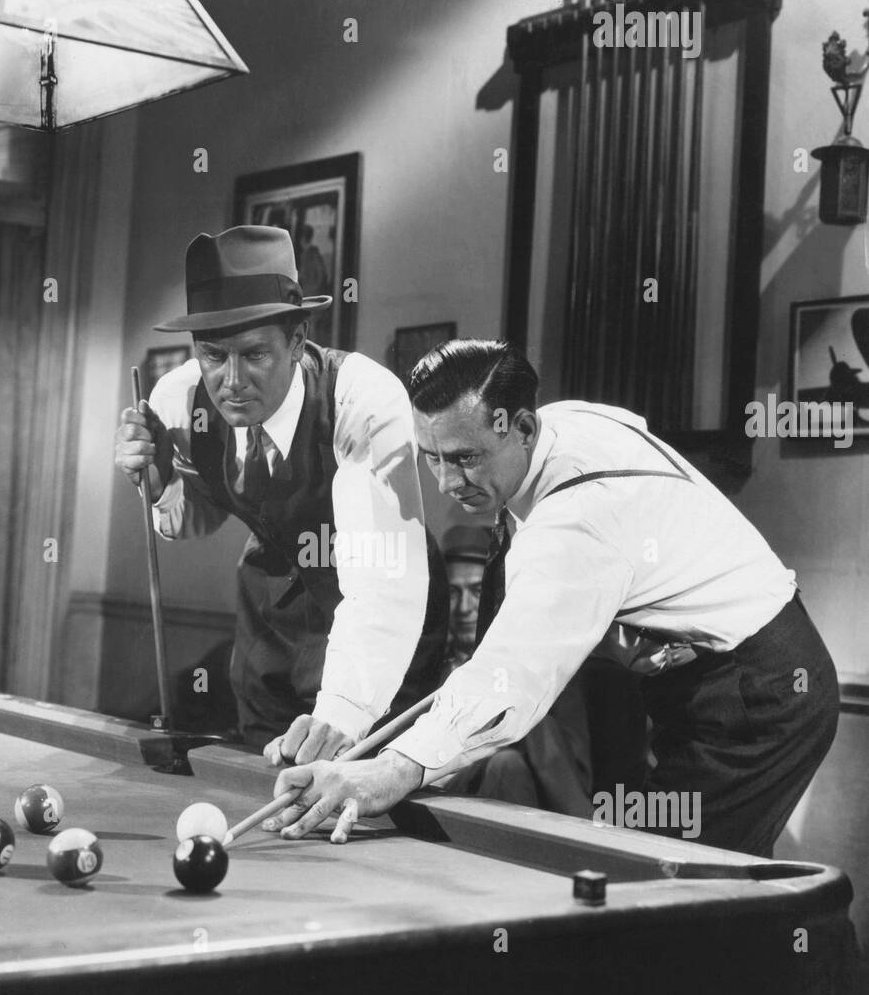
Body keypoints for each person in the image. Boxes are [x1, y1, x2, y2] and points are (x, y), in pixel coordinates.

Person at [268, 338, 840, 856]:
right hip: (700, 678)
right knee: (670, 883)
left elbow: (508, 678)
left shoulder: (574, 524)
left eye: (466, 458)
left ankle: (826, 963)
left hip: (760, 689)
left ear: (521, 428)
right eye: (432, 456)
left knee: (675, 892)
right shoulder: (563, 421)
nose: (445, 483)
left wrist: (387, 773)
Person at [114, 225, 447, 761]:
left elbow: (383, 574)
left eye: (254, 355)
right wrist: (160, 486)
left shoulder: (362, 398)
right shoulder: (179, 400)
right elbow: (197, 515)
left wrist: (341, 711)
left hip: (384, 611)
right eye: (214, 355)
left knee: (362, 784)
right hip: (270, 607)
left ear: (296, 340)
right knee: (262, 769)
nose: (232, 380)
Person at [438, 524, 592, 816]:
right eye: (454, 593)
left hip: (533, 798)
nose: (465, 607)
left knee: (507, 765)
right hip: (445, 793)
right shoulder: (433, 669)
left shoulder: (547, 668)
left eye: (476, 591)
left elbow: (573, 775)